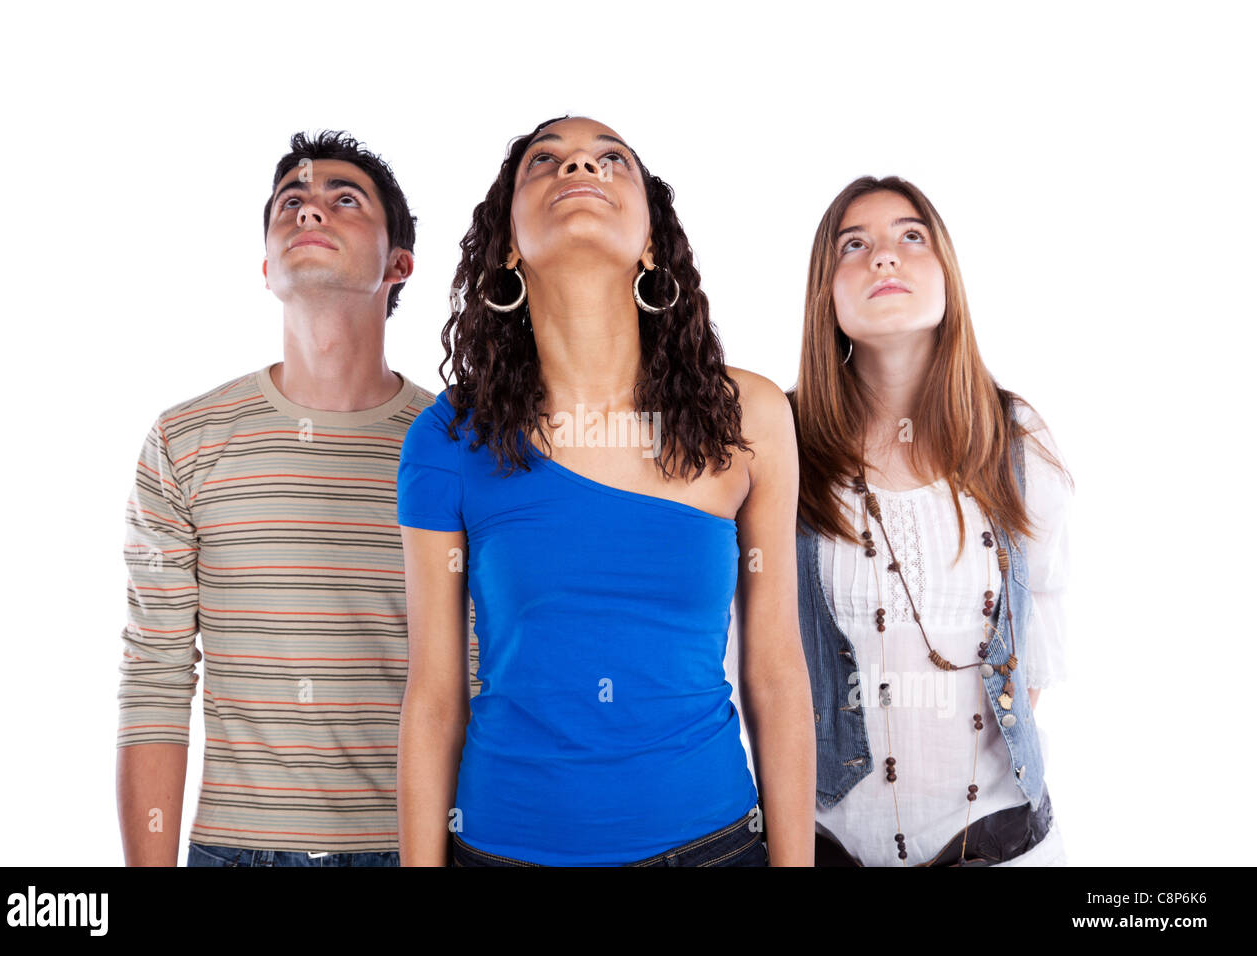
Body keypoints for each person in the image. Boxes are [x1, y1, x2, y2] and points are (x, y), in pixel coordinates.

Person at [396, 115, 815, 867]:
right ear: (510, 246)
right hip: (500, 850)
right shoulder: (448, 436)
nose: (578, 168)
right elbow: (431, 697)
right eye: (546, 162)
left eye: (608, 159)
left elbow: (778, 672)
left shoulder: (749, 416)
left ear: (652, 241)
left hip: (712, 850)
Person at [115, 130, 466, 867]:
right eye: (292, 202)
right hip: (237, 851)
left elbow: (481, 674)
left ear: (398, 265)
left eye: (345, 201)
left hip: (418, 848)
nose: (311, 212)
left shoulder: (458, 448)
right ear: (267, 266)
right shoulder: (184, 442)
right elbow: (155, 677)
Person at [788, 177, 1074, 866]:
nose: (884, 256)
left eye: (911, 236)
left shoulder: (1015, 437)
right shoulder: (781, 440)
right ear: (825, 292)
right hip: (827, 843)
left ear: (949, 276)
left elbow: (1041, 608)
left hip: (1003, 841)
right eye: (854, 244)